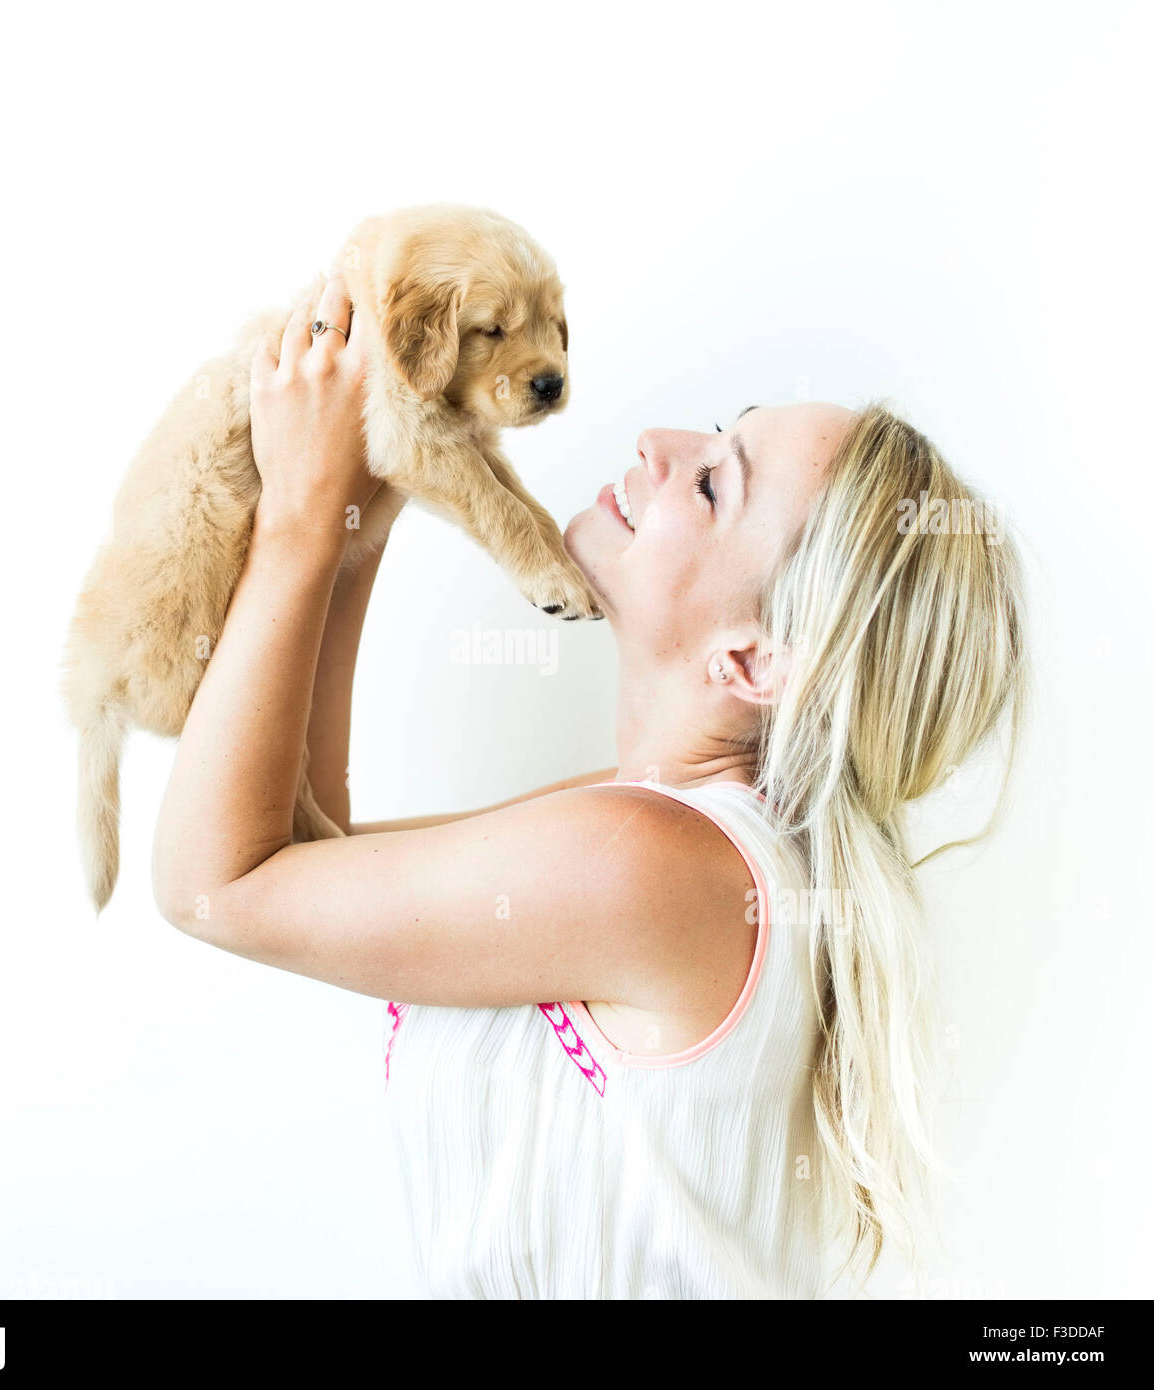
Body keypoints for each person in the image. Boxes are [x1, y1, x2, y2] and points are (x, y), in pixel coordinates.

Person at [151, 272, 1028, 1299]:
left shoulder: (649, 865)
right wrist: (356, 518)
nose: (659, 444)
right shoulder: (668, 839)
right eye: (712, 434)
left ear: (750, 664)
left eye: (711, 484)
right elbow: (309, 855)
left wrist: (300, 518)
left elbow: (221, 885)